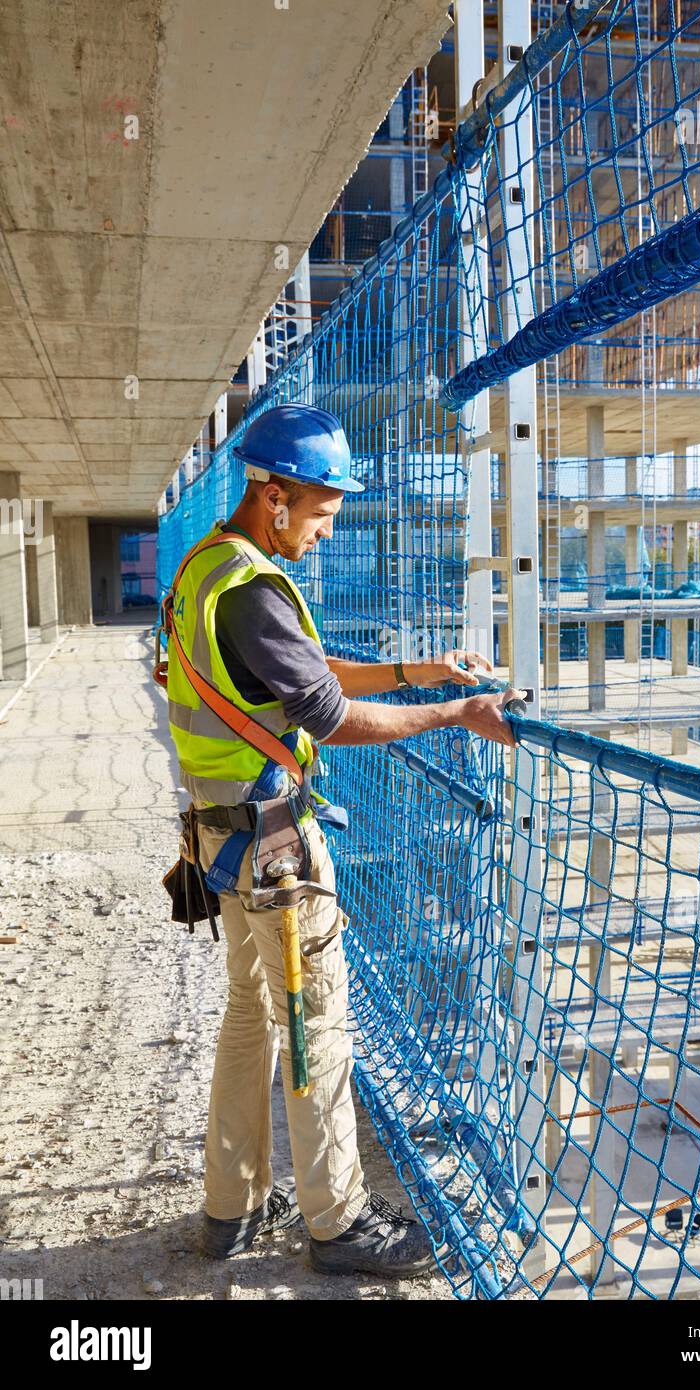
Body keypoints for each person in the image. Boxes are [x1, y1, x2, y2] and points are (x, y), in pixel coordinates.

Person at [164, 404, 519, 1280]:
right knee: (316, 1026)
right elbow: (331, 714)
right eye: (322, 514)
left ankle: (231, 1206)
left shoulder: (206, 568)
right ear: (275, 496)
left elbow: (301, 681)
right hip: (278, 847)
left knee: (251, 1015)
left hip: (222, 840)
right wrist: (457, 713)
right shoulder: (251, 590)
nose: (325, 533)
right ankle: (339, 1223)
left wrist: (421, 669)